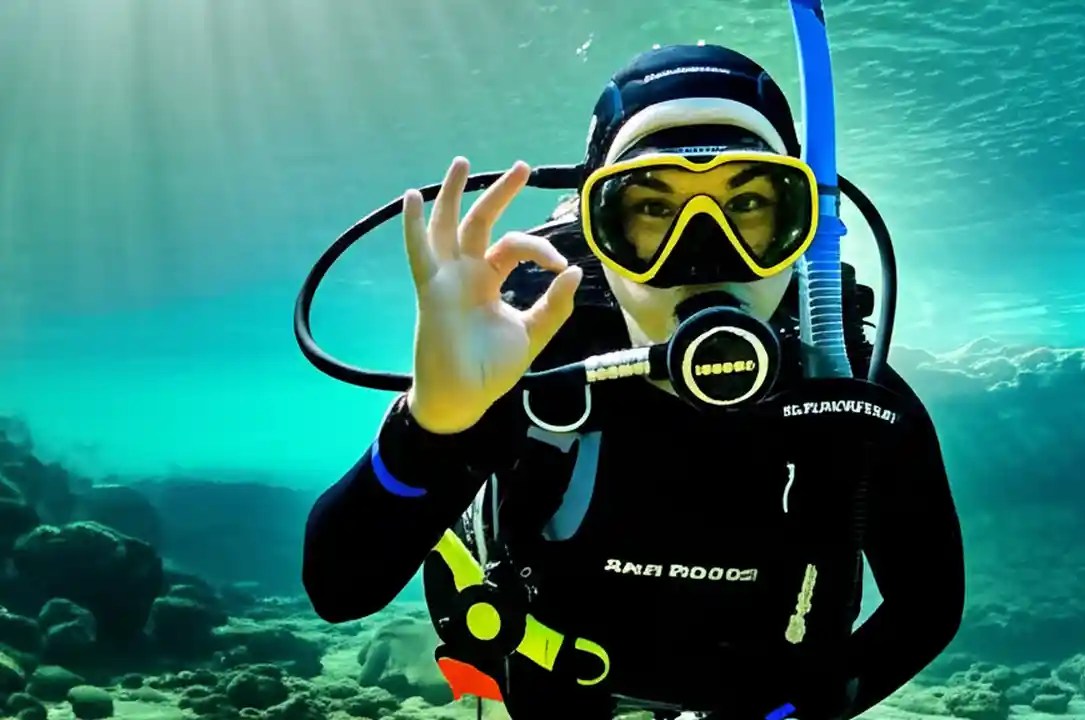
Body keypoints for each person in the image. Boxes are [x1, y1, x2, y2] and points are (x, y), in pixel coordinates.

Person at [302, 43, 964, 720]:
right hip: (555, 673)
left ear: (803, 230)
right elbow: (339, 589)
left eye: (749, 205)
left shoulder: (849, 399)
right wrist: (433, 424)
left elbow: (928, 607)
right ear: (599, 235)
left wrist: (792, 715)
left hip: (755, 692)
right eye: (651, 211)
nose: (704, 254)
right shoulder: (538, 372)